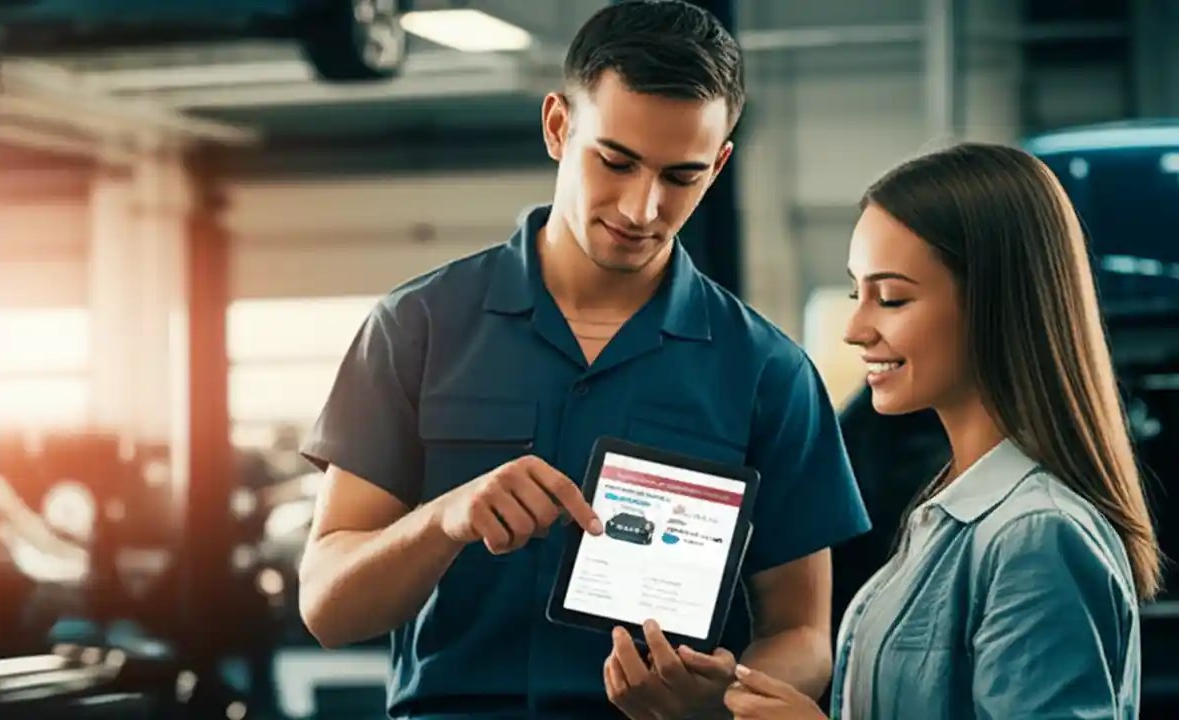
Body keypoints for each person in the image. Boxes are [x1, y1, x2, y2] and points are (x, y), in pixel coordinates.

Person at [296, 1, 871, 718]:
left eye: (681, 177)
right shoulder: (416, 327)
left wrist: (722, 697)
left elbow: (803, 635)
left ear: (719, 165)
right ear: (558, 126)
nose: (641, 208)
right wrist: (443, 521)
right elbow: (328, 608)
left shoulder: (769, 373)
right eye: (616, 161)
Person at [722, 142, 1162, 719]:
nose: (855, 328)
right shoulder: (952, 515)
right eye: (857, 293)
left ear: (995, 303)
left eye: (891, 298)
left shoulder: (1035, 536)